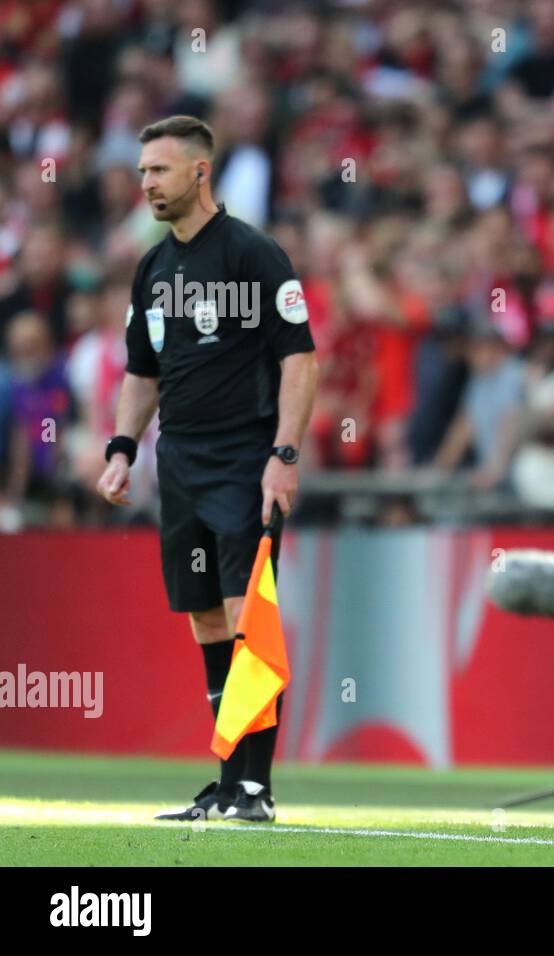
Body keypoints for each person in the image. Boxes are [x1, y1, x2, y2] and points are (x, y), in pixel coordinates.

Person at [95, 116, 319, 822]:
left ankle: (255, 785)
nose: (146, 185)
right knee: (205, 620)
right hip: (181, 462)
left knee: (247, 615)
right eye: (141, 172)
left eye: (158, 171)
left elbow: (300, 358)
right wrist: (123, 448)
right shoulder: (154, 267)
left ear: (199, 172)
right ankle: (225, 782)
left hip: (245, 459)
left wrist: (283, 455)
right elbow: (142, 370)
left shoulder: (253, 255)